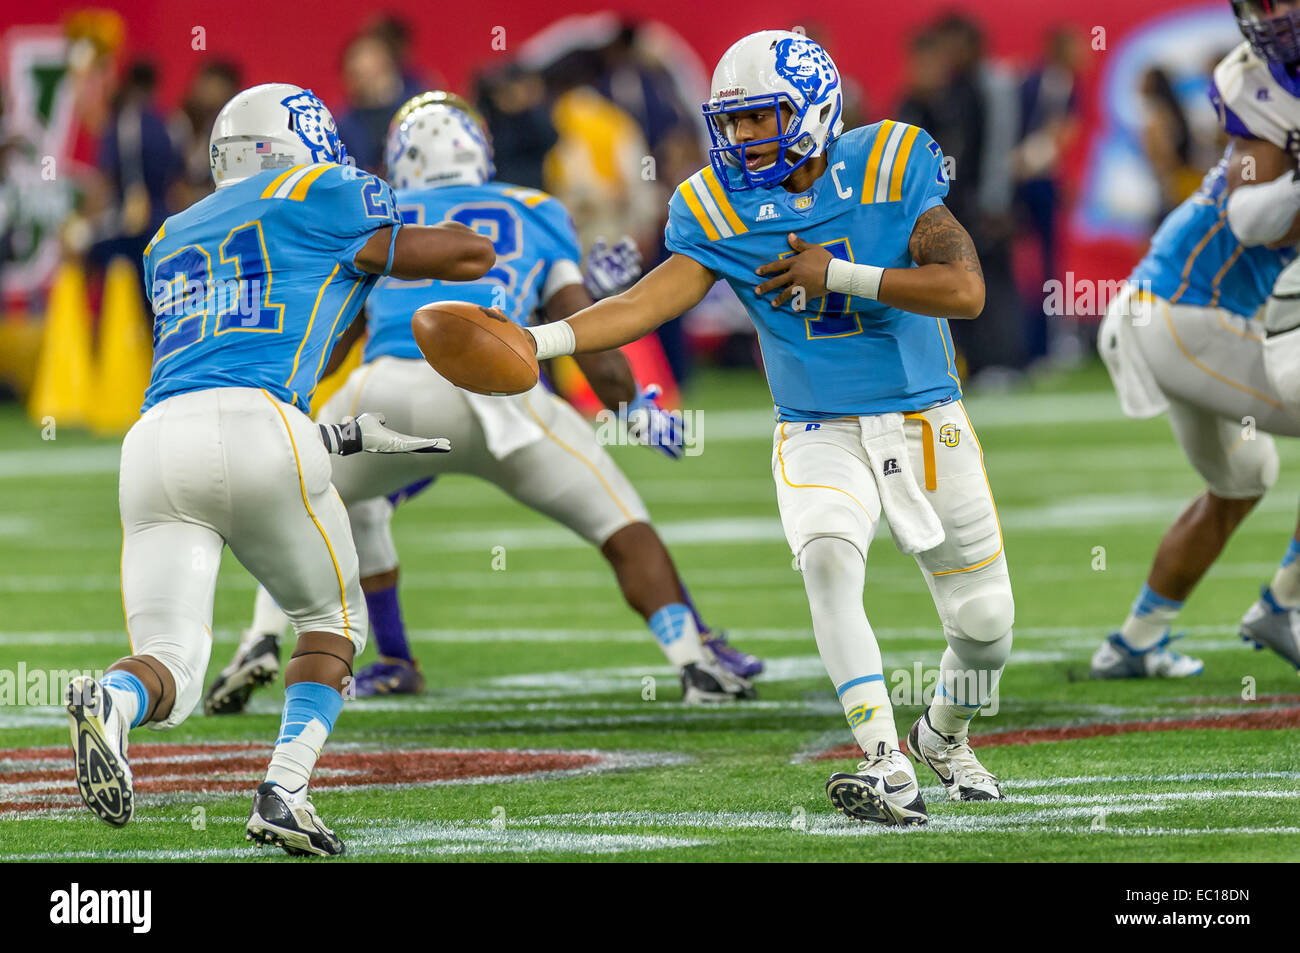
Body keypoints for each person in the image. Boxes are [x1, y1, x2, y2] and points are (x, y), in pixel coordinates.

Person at [521, 31, 1015, 825]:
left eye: (760, 119)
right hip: (816, 423)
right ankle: (885, 761)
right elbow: (643, 301)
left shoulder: (891, 160)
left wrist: (838, 272)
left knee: (987, 628)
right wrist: (541, 340)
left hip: (925, 414)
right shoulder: (717, 205)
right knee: (826, 558)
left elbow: (964, 290)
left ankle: (942, 733)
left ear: (815, 111)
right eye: (734, 122)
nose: (743, 138)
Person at [203, 91, 761, 714]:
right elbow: (585, 333)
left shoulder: (375, 210)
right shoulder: (532, 208)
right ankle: (693, 663)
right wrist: (628, 408)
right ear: (479, 152)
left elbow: (335, 337)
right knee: (620, 524)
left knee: (307, 499)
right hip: (502, 395)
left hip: (384, 390)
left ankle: (261, 640)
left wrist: (284, 406)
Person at [63, 83, 495, 856]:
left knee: (175, 665)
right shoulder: (323, 190)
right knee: (330, 622)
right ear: (302, 143)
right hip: (260, 424)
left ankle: (114, 700)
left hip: (155, 439)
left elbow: (260, 328)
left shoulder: (172, 231)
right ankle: (284, 790)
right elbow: (469, 255)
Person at [1091, 0, 1300, 679]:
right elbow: (1248, 217)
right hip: (1185, 313)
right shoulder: (1261, 89)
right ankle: (1285, 604)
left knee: (1243, 476)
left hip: (1193, 315)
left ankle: (1134, 639)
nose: (1275, 17)